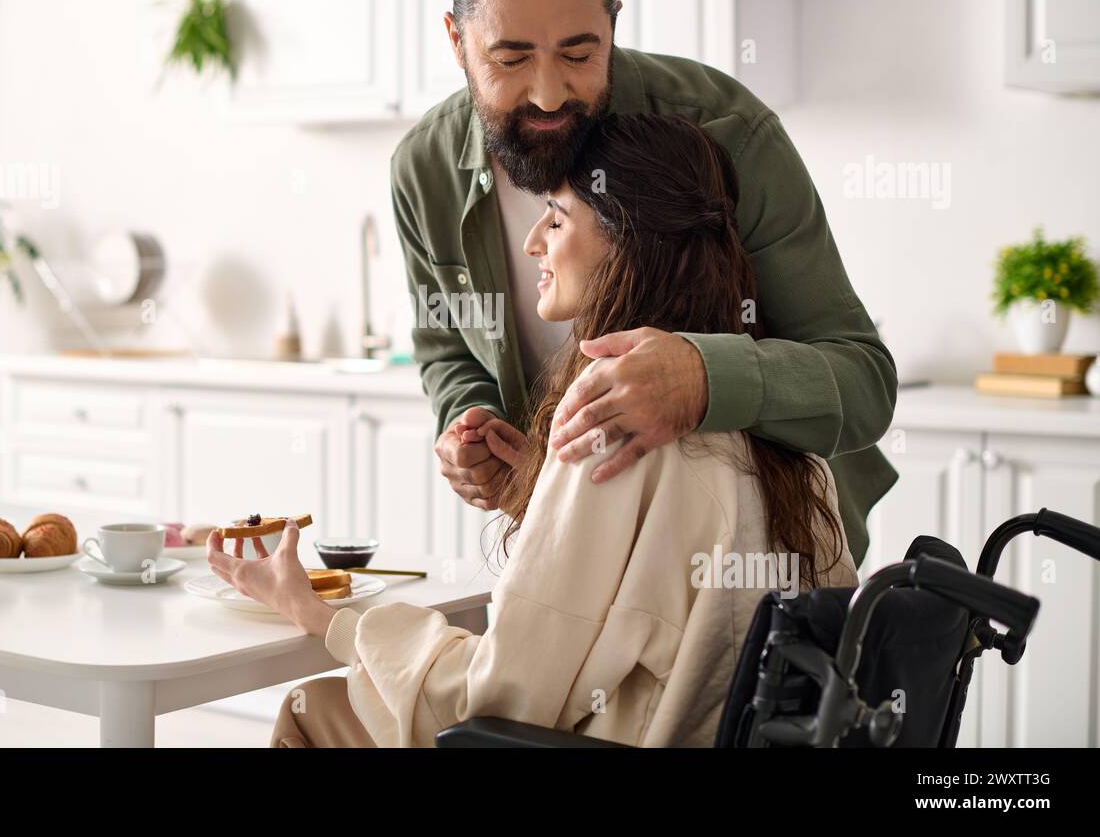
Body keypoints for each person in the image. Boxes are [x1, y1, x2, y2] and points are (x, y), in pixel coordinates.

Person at [208, 114, 860, 748]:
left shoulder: (607, 428)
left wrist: (319, 613)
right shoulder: (783, 443)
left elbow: (493, 698)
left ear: (628, 239)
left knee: (311, 705)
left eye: (557, 215)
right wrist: (540, 490)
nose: (533, 242)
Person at [394, 0, 897, 566]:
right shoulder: (424, 170)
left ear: (613, 26)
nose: (548, 93)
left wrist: (703, 378)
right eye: (511, 59)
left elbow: (863, 383)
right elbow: (446, 348)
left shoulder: (723, 131)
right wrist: (472, 429)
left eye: (579, 52)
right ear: (458, 43)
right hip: (579, 563)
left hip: (775, 581)